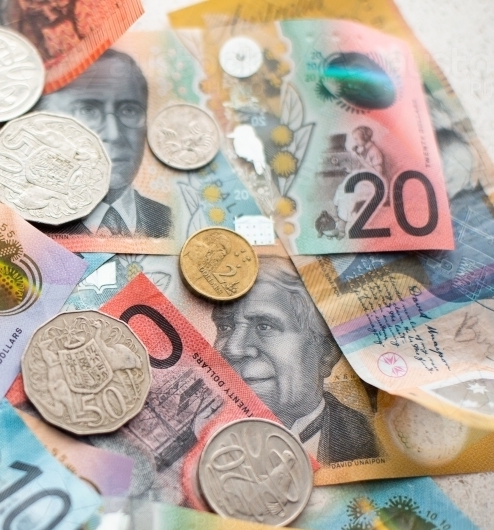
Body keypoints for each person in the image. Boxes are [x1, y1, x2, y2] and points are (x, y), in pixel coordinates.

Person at [210, 257, 381, 464]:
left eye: (264, 326)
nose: (233, 348)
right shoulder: (197, 429)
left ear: (326, 354)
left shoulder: (370, 442)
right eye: (225, 327)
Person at [36, 49, 172, 238]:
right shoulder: (23, 226)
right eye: (87, 111)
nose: (113, 134)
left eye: (129, 110)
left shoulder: (171, 222)